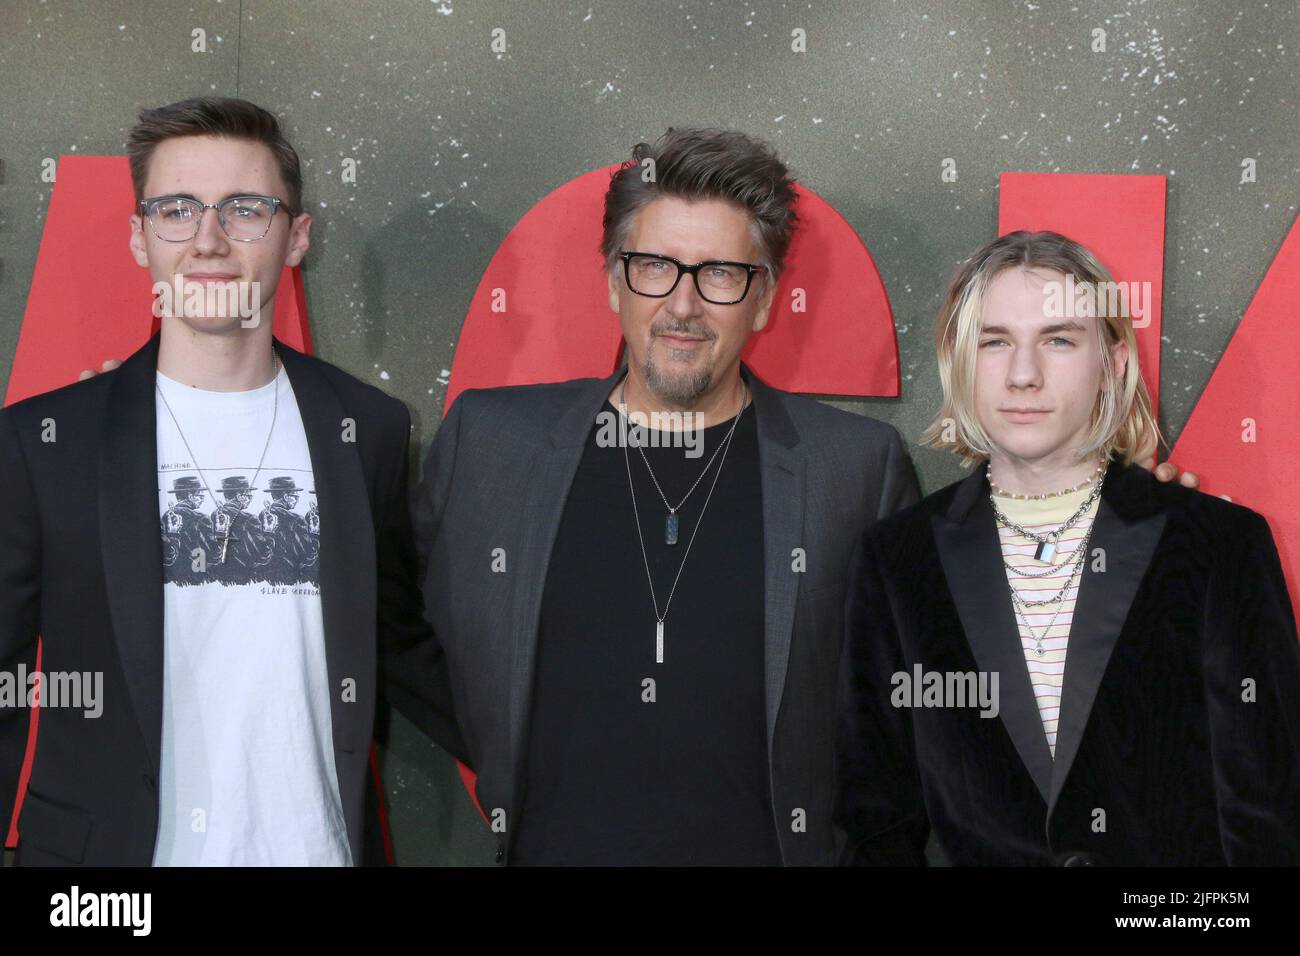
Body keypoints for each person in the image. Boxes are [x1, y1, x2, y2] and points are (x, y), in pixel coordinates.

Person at [0, 96, 466, 866]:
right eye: (177, 210)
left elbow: (399, 642)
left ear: (297, 237)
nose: (209, 239)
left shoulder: (367, 428)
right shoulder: (43, 442)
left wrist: (569, 756)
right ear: (140, 237)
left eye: (246, 209)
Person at [834, 230, 1300, 865]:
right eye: (995, 342)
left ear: (1112, 362)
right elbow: (875, 818)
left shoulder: (1219, 545)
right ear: (959, 360)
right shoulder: (898, 559)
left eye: (1058, 340)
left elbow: (1268, 816)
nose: (1023, 375)